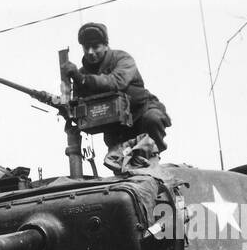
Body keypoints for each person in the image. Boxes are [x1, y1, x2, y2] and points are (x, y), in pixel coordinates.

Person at [61, 21, 171, 168]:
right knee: (119, 164)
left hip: (142, 114)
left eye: (96, 47)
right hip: (116, 128)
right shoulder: (81, 74)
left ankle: (152, 155)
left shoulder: (123, 59)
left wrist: (82, 79)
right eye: (86, 47)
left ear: (106, 45)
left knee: (153, 119)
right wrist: (68, 108)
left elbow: (116, 82)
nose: (90, 52)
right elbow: (78, 105)